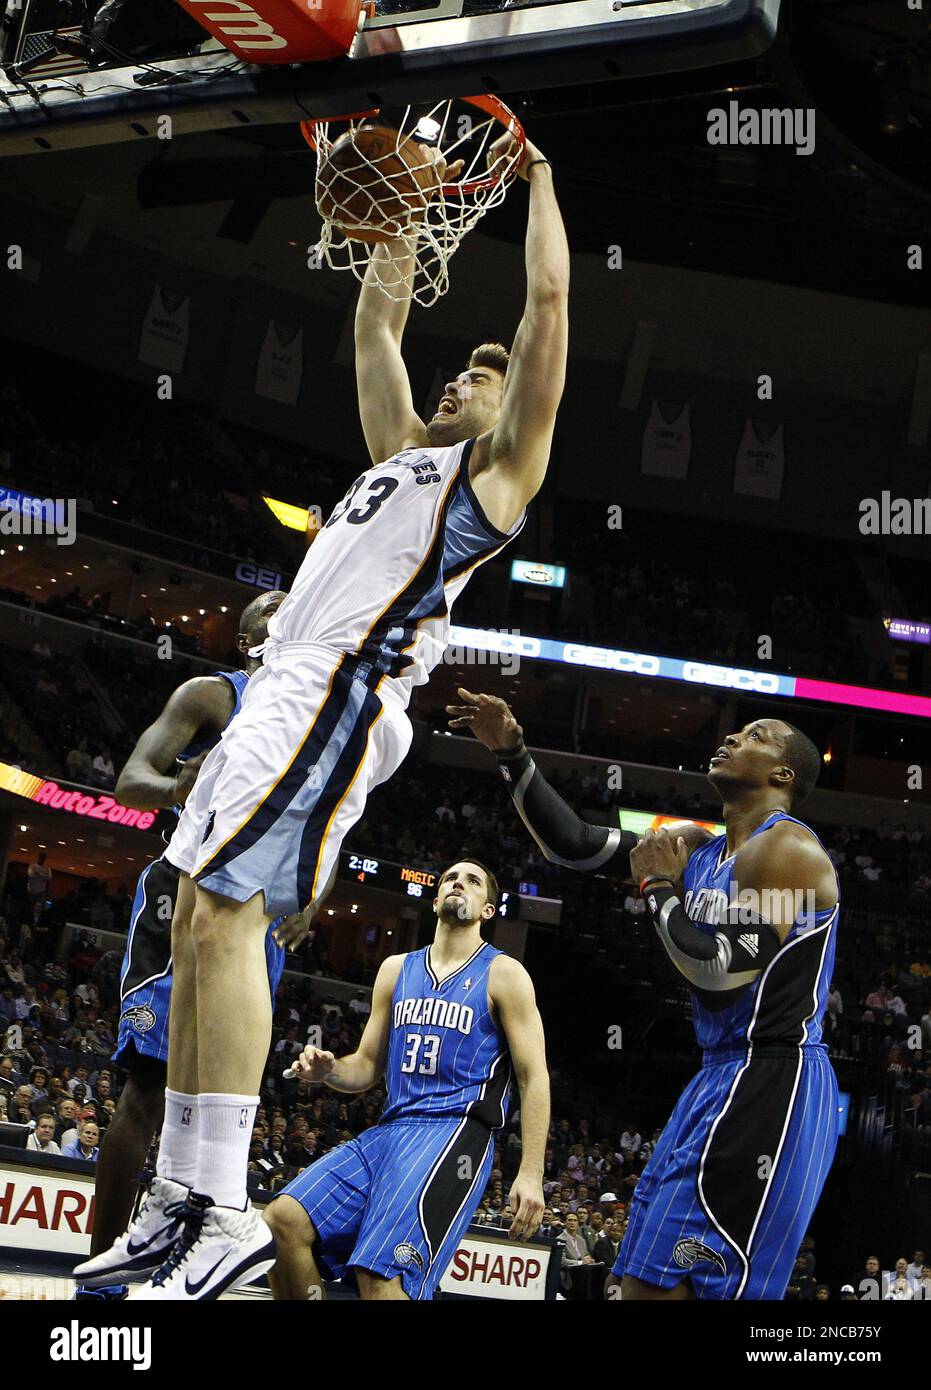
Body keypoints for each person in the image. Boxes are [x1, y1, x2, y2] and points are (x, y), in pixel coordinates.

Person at [96, 128, 568, 1302]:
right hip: (294, 676)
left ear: (510, 413)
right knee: (206, 914)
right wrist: (402, 216)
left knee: (233, 907)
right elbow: (372, 330)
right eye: (459, 369)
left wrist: (540, 178)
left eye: (484, 374)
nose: (464, 376)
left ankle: (212, 1206)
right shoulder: (399, 455)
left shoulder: (491, 482)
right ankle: (185, 1198)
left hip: (342, 685)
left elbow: (552, 295)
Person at [448, 692, 840, 1301]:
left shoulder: (786, 851)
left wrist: (657, 885)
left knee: (702, 1288)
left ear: (782, 774)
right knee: (640, 1284)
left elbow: (717, 971)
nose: (733, 737)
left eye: (755, 735)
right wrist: (512, 753)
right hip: (716, 1074)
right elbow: (574, 844)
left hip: (774, 1079)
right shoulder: (699, 846)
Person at [72, 594, 309, 1299]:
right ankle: (103, 1273)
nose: (288, 612)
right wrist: (182, 782)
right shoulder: (211, 694)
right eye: (272, 609)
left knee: (219, 1093)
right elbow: (129, 782)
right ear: (245, 640)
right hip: (184, 890)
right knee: (147, 1088)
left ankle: (189, 1258)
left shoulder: (311, 713)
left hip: (257, 910)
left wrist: (312, 893)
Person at [262, 860, 549, 1301]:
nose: (460, 884)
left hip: (455, 1135)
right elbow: (366, 1065)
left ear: (488, 910)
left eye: (473, 882)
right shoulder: (396, 969)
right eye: (451, 878)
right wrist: (329, 1071)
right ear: (434, 901)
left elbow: (534, 1077)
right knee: (282, 1222)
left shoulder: (504, 974)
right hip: (391, 1129)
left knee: (381, 1277)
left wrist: (530, 1173)